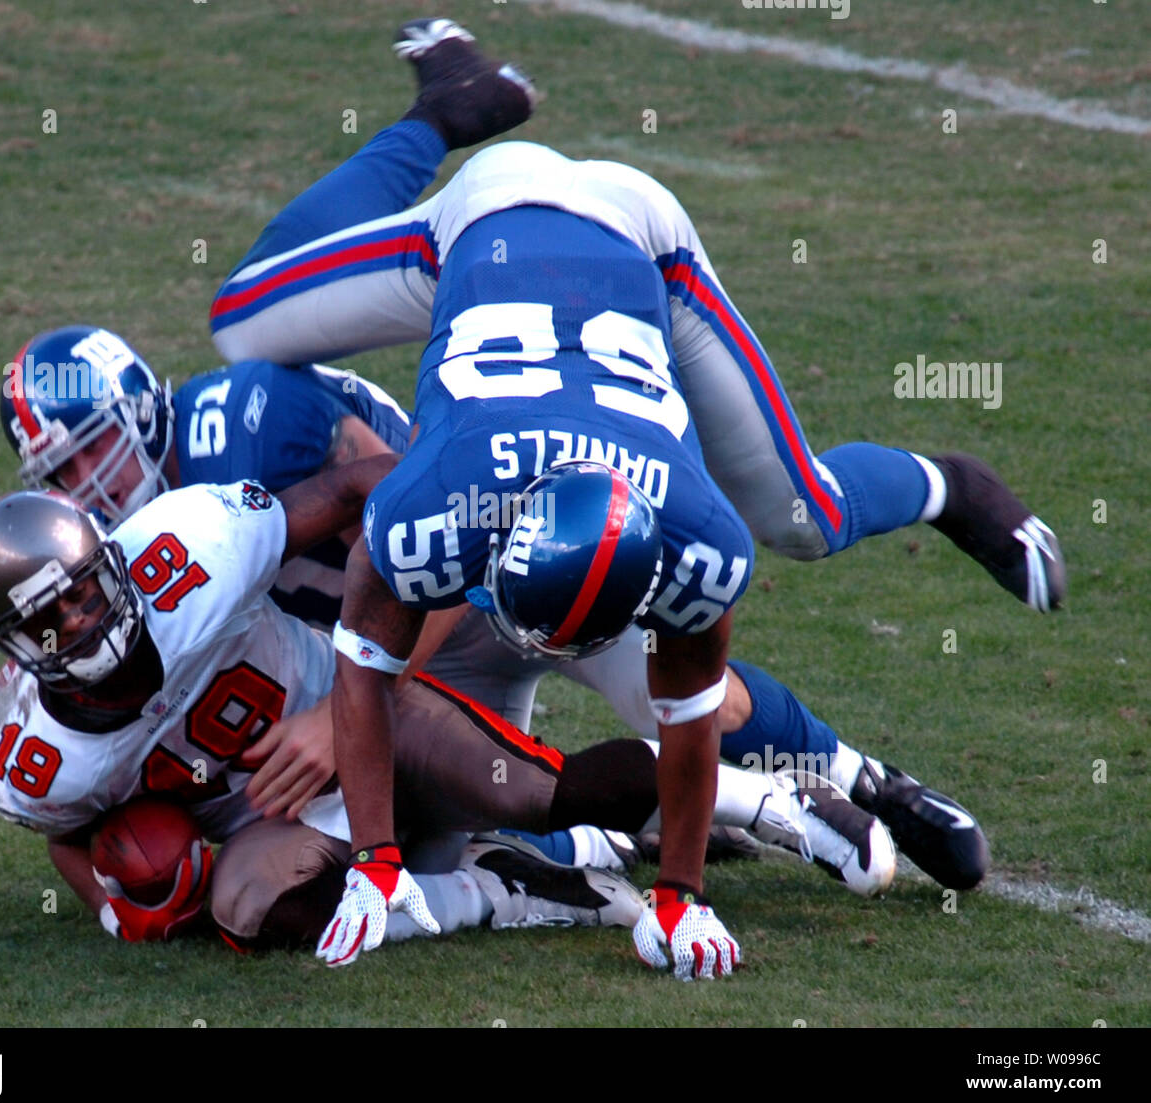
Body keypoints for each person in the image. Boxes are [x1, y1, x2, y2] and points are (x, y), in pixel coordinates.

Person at [207, 18, 1048, 978]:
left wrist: (681, 898)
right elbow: (361, 669)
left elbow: (686, 719)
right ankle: (445, 116)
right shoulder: (434, 502)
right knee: (244, 323)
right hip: (484, 220)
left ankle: (952, 487)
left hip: (648, 250)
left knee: (800, 514)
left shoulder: (699, 540)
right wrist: (378, 863)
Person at [0, 322, 989, 896]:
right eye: (63, 471)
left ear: (144, 404)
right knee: (443, 840)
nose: (91, 483)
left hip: (489, 573)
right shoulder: (104, 574)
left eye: (94, 447)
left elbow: (397, 545)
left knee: (697, 701)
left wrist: (345, 711)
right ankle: (633, 839)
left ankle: (867, 781)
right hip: (379, 646)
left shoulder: (250, 427)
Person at [0, 484, 895, 965]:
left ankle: (774, 804)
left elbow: (382, 486)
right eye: (52, 617)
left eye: (85, 592)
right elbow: (69, 832)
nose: (81, 620)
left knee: (532, 788)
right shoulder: (32, 756)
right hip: (276, 824)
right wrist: (116, 904)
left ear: (112, 561)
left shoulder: (187, 550)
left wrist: (345, 697)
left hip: (370, 715)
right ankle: (501, 887)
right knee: (246, 912)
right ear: (15, 644)